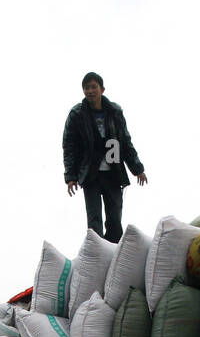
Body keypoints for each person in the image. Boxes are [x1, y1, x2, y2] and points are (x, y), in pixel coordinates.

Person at [62, 71, 147, 243]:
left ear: (102, 89)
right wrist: (70, 176)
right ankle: (97, 253)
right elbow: (69, 146)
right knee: (94, 221)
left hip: (113, 172)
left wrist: (137, 169)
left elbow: (125, 141)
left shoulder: (115, 112)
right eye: (86, 88)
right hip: (90, 173)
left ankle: (113, 252)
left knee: (115, 218)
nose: (90, 91)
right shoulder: (77, 114)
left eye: (93, 87)